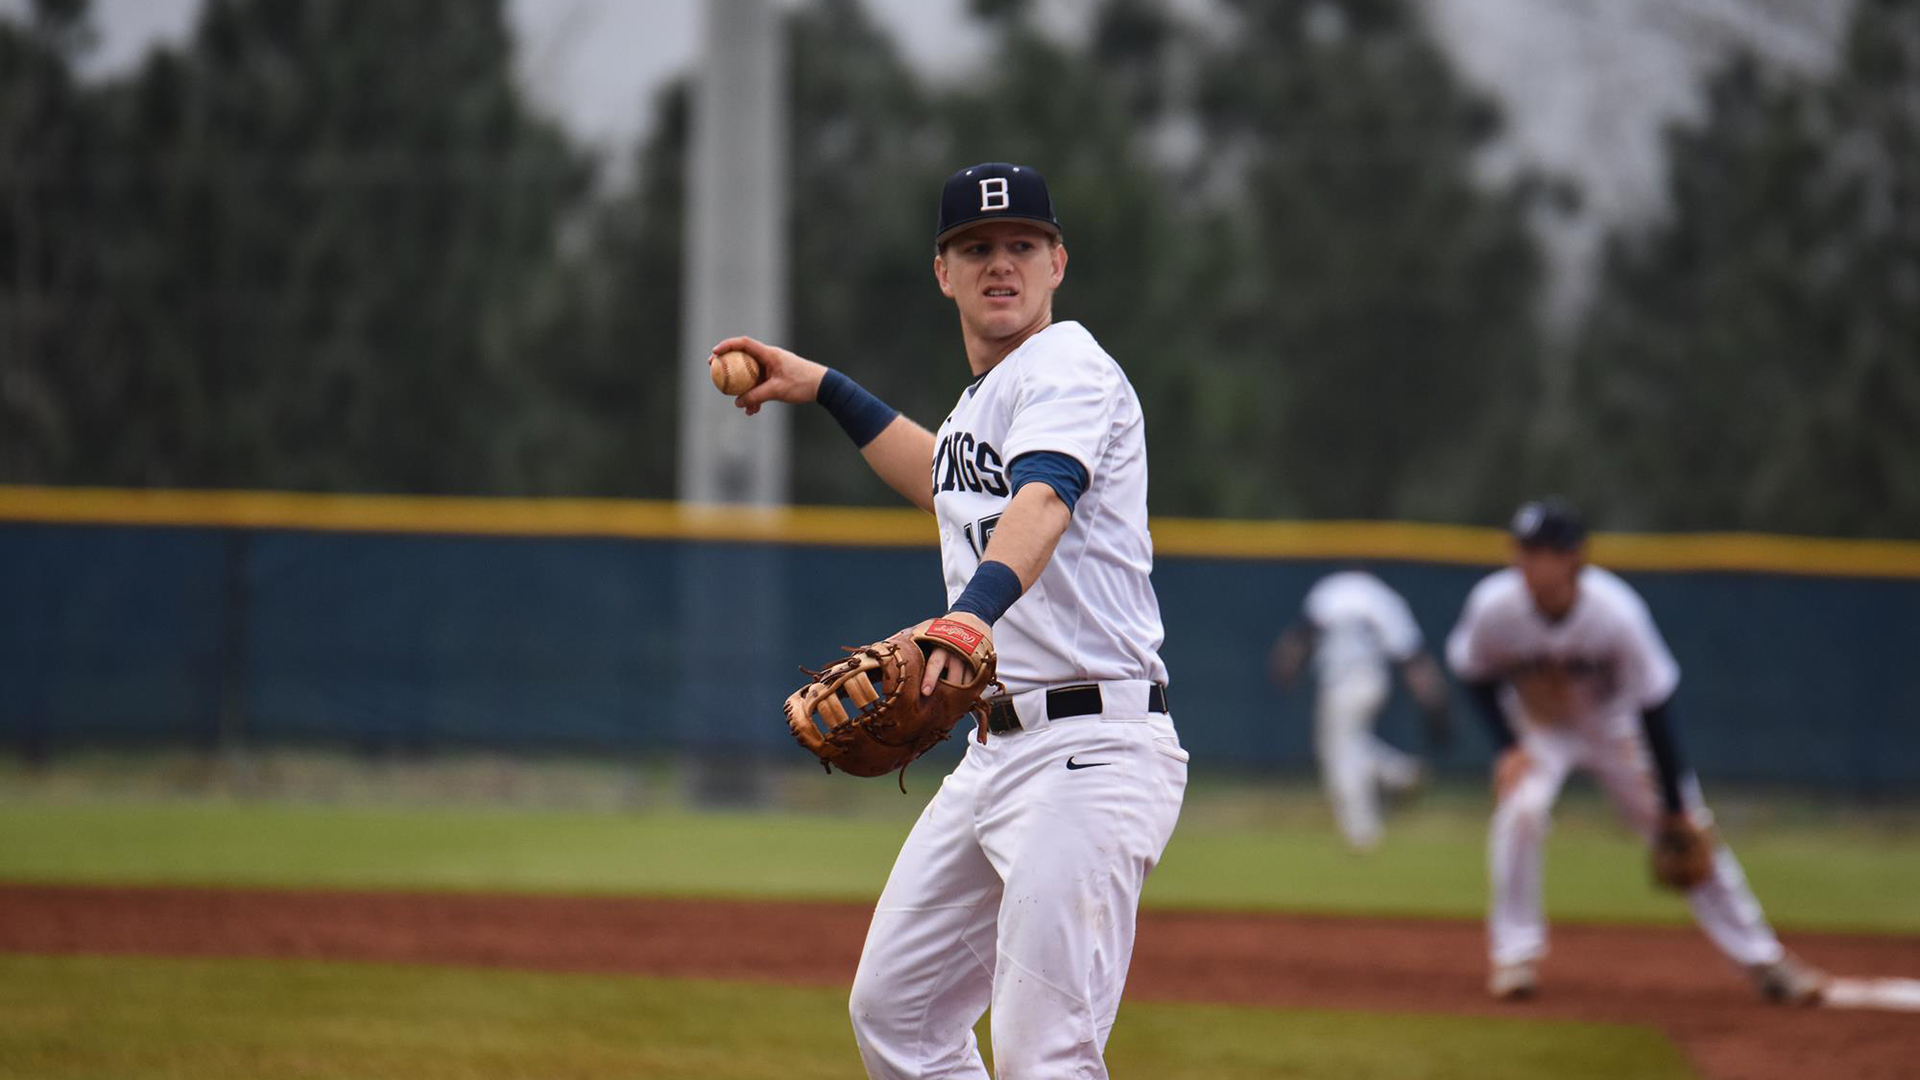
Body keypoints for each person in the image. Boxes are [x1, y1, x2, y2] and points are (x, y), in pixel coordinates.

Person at [711, 162, 1187, 1078]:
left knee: (1044, 1053)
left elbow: (1043, 500)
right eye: (975, 248)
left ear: (1058, 263)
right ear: (943, 272)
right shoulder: (987, 399)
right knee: (898, 1015)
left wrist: (966, 619)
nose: (998, 264)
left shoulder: (1069, 369)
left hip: (1089, 753)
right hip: (996, 751)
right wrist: (823, 387)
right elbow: (942, 477)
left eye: (1020, 246)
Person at [1446, 497, 1826, 1004]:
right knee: (1521, 809)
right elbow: (1472, 672)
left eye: (1542, 550)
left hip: (1615, 727)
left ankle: (1764, 961)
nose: (1528, 561)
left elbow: (1655, 705)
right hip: (1542, 729)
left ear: (1573, 557)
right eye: (1523, 549)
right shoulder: (1495, 605)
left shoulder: (1615, 613)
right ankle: (1514, 957)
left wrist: (1671, 807)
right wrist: (1507, 747)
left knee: (1690, 827)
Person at [1270, 569, 1450, 852]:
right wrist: (1434, 699)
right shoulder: (1385, 600)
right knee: (1350, 746)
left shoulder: (1330, 590)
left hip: (1340, 682)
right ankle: (1399, 772)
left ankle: (1362, 832)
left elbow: (1301, 638)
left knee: (1339, 754)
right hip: (1373, 682)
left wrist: (1285, 669)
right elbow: (1411, 658)